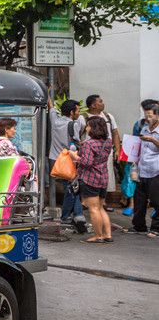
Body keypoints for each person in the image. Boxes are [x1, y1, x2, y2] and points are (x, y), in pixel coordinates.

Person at [72, 116, 114, 244]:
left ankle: (98, 236)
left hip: (90, 179)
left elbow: (87, 162)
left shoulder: (89, 144)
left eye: (88, 125)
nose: (87, 128)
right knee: (100, 207)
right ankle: (107, 234)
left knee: (93, 209)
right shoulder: (108, 141)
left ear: (93, 128)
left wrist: (74, 156)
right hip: (103, 178)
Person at [77, 94, 121, 211]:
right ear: (93, 105)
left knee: (104, 176)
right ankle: (85, 201)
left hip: (105, 151)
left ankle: (102, 201)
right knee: (87, 176)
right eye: (100, 101)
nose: (103, 103)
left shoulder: (108, 116)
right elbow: (78, 134)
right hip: (89, 151)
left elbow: (115, 133)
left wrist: (117, 149)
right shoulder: (83, 117)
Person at [49, 99, 86, 230]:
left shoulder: (54, 120)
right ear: (71, 112)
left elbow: (51, 107)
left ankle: (70, 215)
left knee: (70, 188)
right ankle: (75, 216)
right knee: (73, 189)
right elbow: (76, 143)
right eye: (77, 110)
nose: (79, 113)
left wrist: (48, 93)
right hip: (68, 161)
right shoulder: (73, 125)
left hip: (55, 160)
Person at [131, 104, 159, 238]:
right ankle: (139, 226)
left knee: (156, 200)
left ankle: (156, 228)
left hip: (156, 169)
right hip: (143, 168)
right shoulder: (145, 129)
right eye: (146, 115)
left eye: (150, 115)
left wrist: (153, 140)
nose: (147, 118)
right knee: (139, 200)